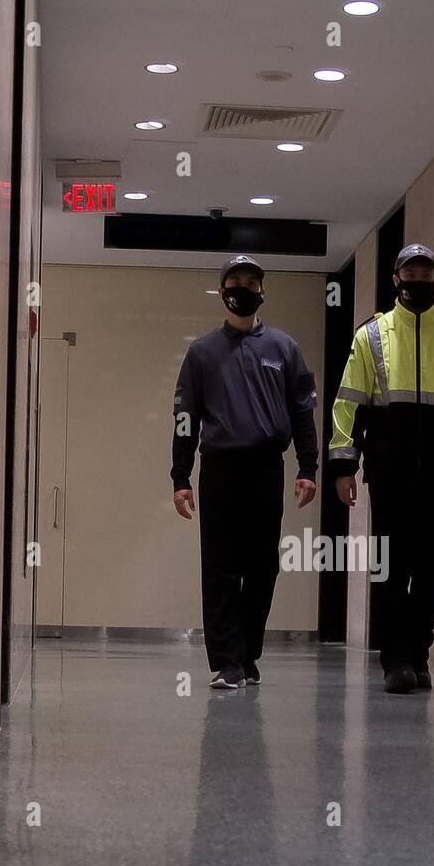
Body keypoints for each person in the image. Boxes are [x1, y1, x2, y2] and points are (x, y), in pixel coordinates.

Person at [328, 243, 434, 693]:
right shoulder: (370, 336)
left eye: (426, 272)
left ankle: (420, 654)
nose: (419, 279)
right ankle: (394, 659)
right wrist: (344, 465)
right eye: (411, 272)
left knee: (430, 569)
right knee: (390, 568)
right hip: (387, 473)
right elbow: (348, 404)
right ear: (395, 279)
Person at [171, 255, 318, 689]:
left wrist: (307, 467)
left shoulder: (284, 348)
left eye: (251, 282)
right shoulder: (201, 353)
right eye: (234, 281)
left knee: (261, 566)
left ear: (261, 292)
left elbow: (303, 411)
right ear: (221, 291)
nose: (242, 288)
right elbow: (184, 418)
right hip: (218, 469)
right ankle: (227, 662)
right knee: (219, 567)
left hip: (266, 469)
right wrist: (180, 476)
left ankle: (248, 653)